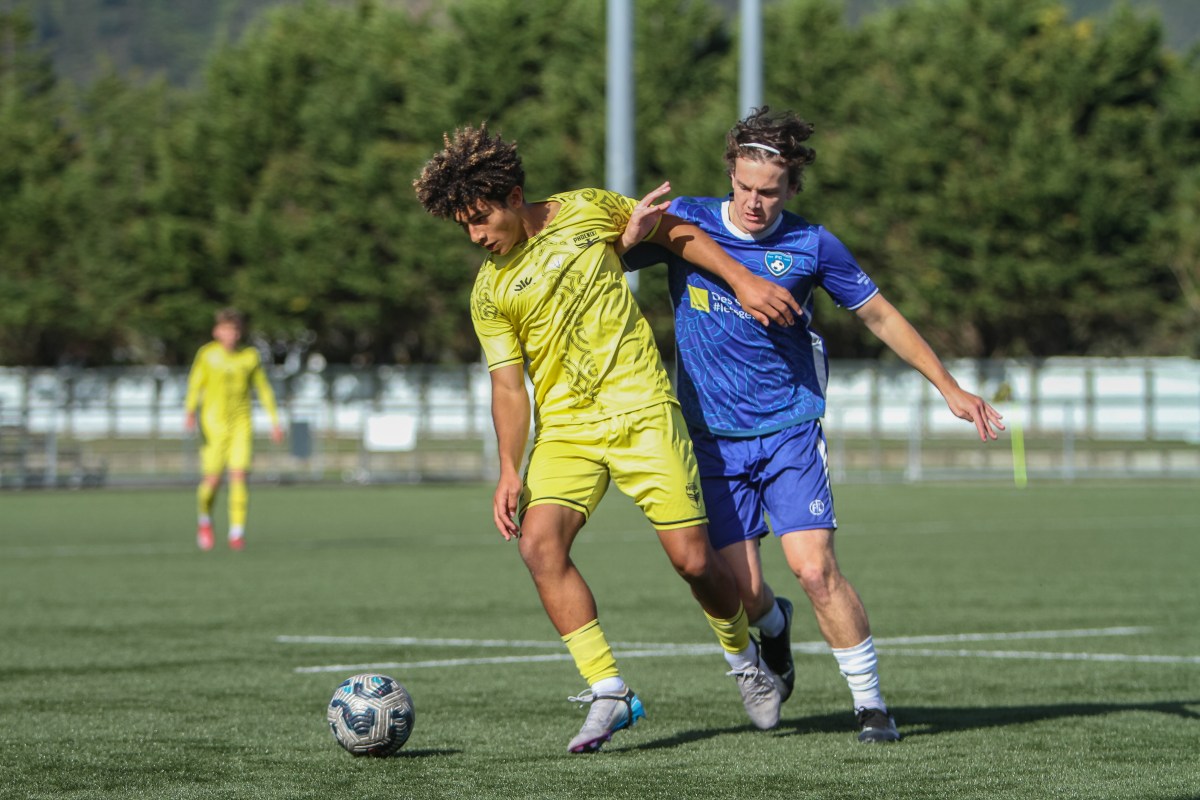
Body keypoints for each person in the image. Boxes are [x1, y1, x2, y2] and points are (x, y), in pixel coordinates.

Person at [412, 123, 804, 753]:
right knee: (539, 546)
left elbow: (674, 231)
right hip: (567, 430)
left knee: (694, 562)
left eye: (481, 219)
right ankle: (608, 690)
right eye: (464, 227)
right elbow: (508, 387)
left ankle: (745, 660)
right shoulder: (488, 291)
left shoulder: (586, 207)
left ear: (514, 196)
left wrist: (742, 280)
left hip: (642, 410)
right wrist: (509, 468)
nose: (476, 236)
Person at [621, 107, 1005, 743]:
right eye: (745, 187)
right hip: (711, 438)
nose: (754, 202)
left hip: (789, 427)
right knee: (744, 593)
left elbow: (880, 316)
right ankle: (774, 627)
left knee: (815, 568)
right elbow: (604, 264)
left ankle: (871, 707)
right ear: (730, 175)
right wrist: (628, 236)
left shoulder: (812, 245)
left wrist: (949, 387)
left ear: (792, 188)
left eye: (769, 192)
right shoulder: (686, 221)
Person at [184, 307, 284, 551]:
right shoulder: (207, 355)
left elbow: (263, 388)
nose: (232, 335)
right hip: (213, 425)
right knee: (212, 482)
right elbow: (195, 384)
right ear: (217, 331)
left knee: (239, 476)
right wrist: (190, 411)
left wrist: (274, 421)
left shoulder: (249, 357)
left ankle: (237, 532)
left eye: (236, 330)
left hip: (241, 424)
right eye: (227, 330)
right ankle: (205, 520)